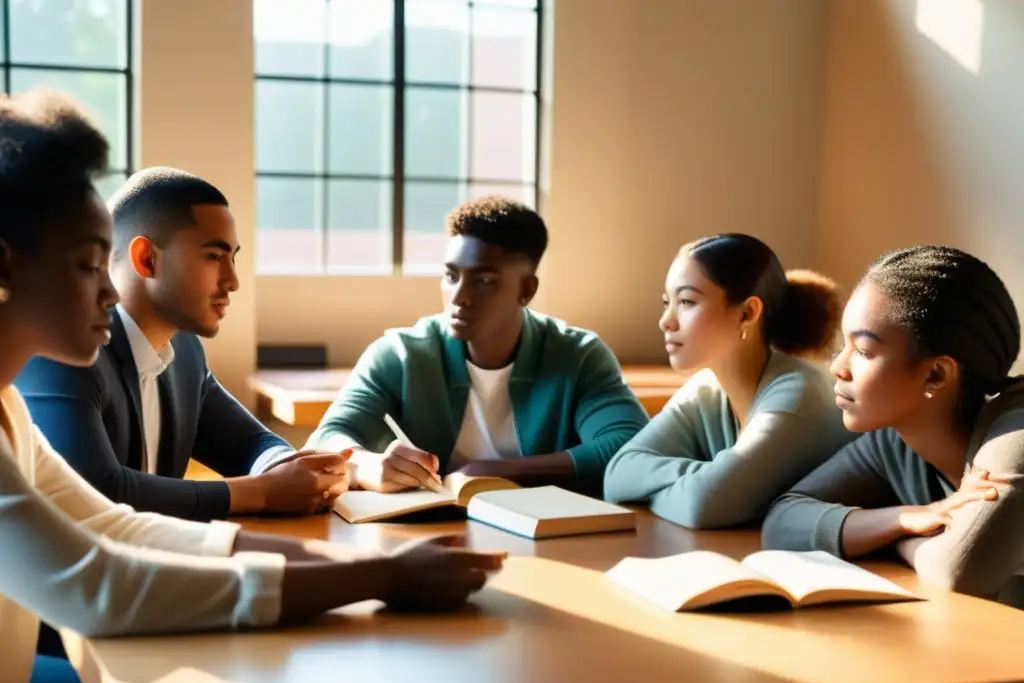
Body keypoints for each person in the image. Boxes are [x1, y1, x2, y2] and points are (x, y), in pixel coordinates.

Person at [0, 89, 503, 683]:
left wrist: (361, 565)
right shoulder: (50, 378)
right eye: (91, 265)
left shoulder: (11, 408)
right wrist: (376, 579)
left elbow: (116, 526)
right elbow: (100, 583)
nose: (111, 292)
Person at [15, 166, 345, 522]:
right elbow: (92, 491)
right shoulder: (65, 347)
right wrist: (265, 492)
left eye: (233, 258)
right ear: (147, 258)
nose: (233, 281)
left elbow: (250, 443)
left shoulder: (184, 350)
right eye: (214, 257)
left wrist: (294, 470)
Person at [305, 196, 649, 498]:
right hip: (425, 541)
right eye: (451, 276)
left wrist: (498, 471)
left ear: (526, 290)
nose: (460, 297)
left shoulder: (579, 355)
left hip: (546, 536)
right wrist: (366, 466)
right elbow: (326, 437)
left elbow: (627, 445)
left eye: (484, 281)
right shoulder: (400, 355)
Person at [762, 245, 1024, 606]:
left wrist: (903, 544)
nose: (838, 366)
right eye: (843, 345)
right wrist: (905, 519)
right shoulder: (895, 441)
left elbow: (960, 570)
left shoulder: (1017, 432)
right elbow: (783, 521)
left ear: (936, 374)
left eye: (865, 351)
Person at [604, 233, 852, 528]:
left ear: (747, 313)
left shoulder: (799, 391)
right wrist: (709, 476)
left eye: (685, 301)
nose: (666, 321)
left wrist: (671, 488)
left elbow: (704, 505)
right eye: (666, 302)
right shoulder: (706, 386)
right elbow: (618, 476)